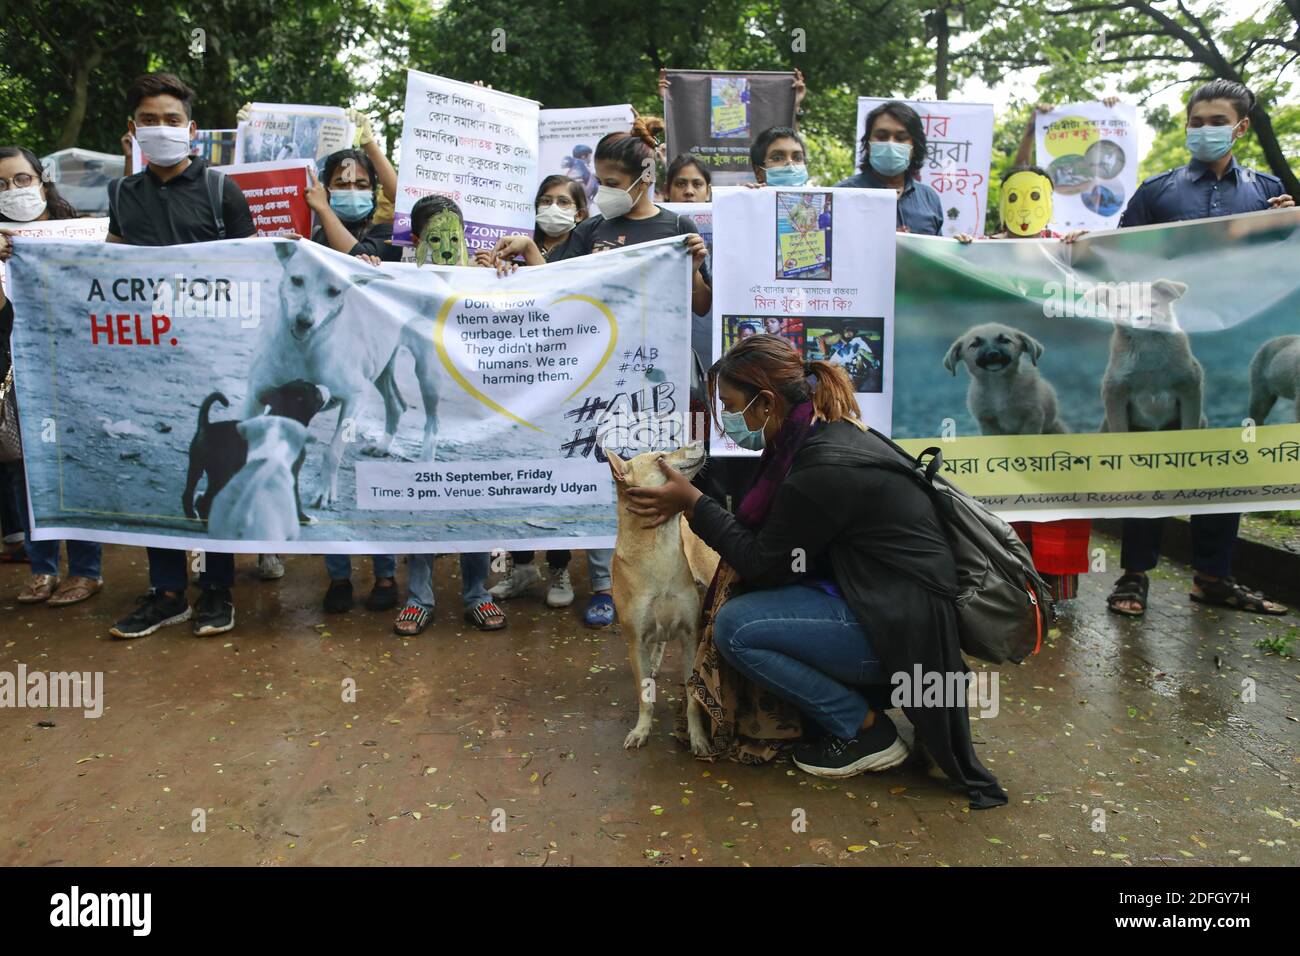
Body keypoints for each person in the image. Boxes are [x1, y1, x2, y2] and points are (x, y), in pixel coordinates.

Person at [622, 334, 1005, 806]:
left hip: (901, 629)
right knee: (750, 609)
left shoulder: (819, 464)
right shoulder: (811, 435)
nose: (725, 417)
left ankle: (864, 730)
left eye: (730, 404)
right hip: (889, 608)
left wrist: (694, 503)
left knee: (738, 628)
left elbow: (763, 563)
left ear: (765, 403)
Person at [490, 118, 711, 627]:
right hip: (597, 374)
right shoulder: (592, 229)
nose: (603, 191)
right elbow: (557, 286)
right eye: (600, 180)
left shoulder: (679, 229)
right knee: (596, 470)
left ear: (643, 177)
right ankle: (602, 580)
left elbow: (701, 305)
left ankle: (652, 583)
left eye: (612, 181)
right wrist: (525, 252)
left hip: (656, 381)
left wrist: (696, 265)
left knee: (648, 477)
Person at [1107, 79, 1293, 617]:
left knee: (1225, 457)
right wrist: (1080, 246)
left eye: (1216, 122)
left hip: (1236, 345)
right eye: (1196, 121)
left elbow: (1281, 266)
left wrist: (1287, 223)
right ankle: (1133, 577)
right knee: (1152, 455)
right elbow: (1119, 257)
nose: (1204, 130)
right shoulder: (1158, 192)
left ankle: (1214, 576)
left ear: (1240, 128)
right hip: (1166, 349)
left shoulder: (1267, 191)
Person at [100, 73, 256, 639]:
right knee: (154, 464)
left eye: (171, 119)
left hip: (214, 360)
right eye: (148, 119)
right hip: (144, 362)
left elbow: (251, 274)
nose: (160, 128)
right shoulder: (121, 196)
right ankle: (165, 591)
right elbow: (110, 270)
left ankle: (217, 588)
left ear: (191, 130)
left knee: (212, 468)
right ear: (133, 129)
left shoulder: (222, 192)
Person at [955, 166, 1091, 601]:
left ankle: (1053, 588)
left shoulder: (1069, 248)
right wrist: (953, 250)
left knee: (1055, 500)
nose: (1025, 207)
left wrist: (1091, 252)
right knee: (998, 497)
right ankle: (1002, 584)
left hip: (1045, 446)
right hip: (1000, 454)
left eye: (1036, 196)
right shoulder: (980, 250)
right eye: (1014, 197)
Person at [392, 194, 506, 636]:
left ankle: (476, 593)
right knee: (423, 496)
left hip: (471, 410)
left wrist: (501, 280)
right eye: (436, 236)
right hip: (422, 409)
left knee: (472, 498)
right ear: (417, 238)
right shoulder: (396, 277)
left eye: (454, 236)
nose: (445, 245)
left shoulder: (486, 278)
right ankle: (419, 597)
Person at [0, 147, 106, 606]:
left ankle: (86, 570)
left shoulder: (80, 232)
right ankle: (42, 567)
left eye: (22, 179)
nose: (14, 192)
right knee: (29, 470)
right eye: (2, 185)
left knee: (76, 467)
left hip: (76, 372)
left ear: (42, 180)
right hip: (19, 373)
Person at [304, 146, 401, 613]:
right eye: (341, 184)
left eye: (362, 184)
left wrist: (325, 207)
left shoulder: (385, 233)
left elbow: (360, 257)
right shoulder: (304, 238)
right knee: (325, 463)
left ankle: (385, 575)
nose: (351, 191)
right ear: (323, 184)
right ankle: (337, 575)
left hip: (368, 363)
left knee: (368, 469)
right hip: (318, 366)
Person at [489, 175, 591, 608]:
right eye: (545, 200)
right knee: (515, 469)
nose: (552, 207)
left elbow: (566, 300)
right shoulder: (512, 248)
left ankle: (560, 567)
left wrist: (531, 258)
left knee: (557, 472)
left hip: (566, 378)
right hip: (517, 378)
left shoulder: (587, 251)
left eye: (563, 201)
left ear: (580, 212)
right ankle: (521, 564)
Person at [835, 100, 944, 235]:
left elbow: (938, 253)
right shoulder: (842, 195)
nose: (890, 144)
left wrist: (961, 246)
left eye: (901, 137)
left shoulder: (929, 198)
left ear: (914, 146)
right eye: (882, 136)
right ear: (868, 144)